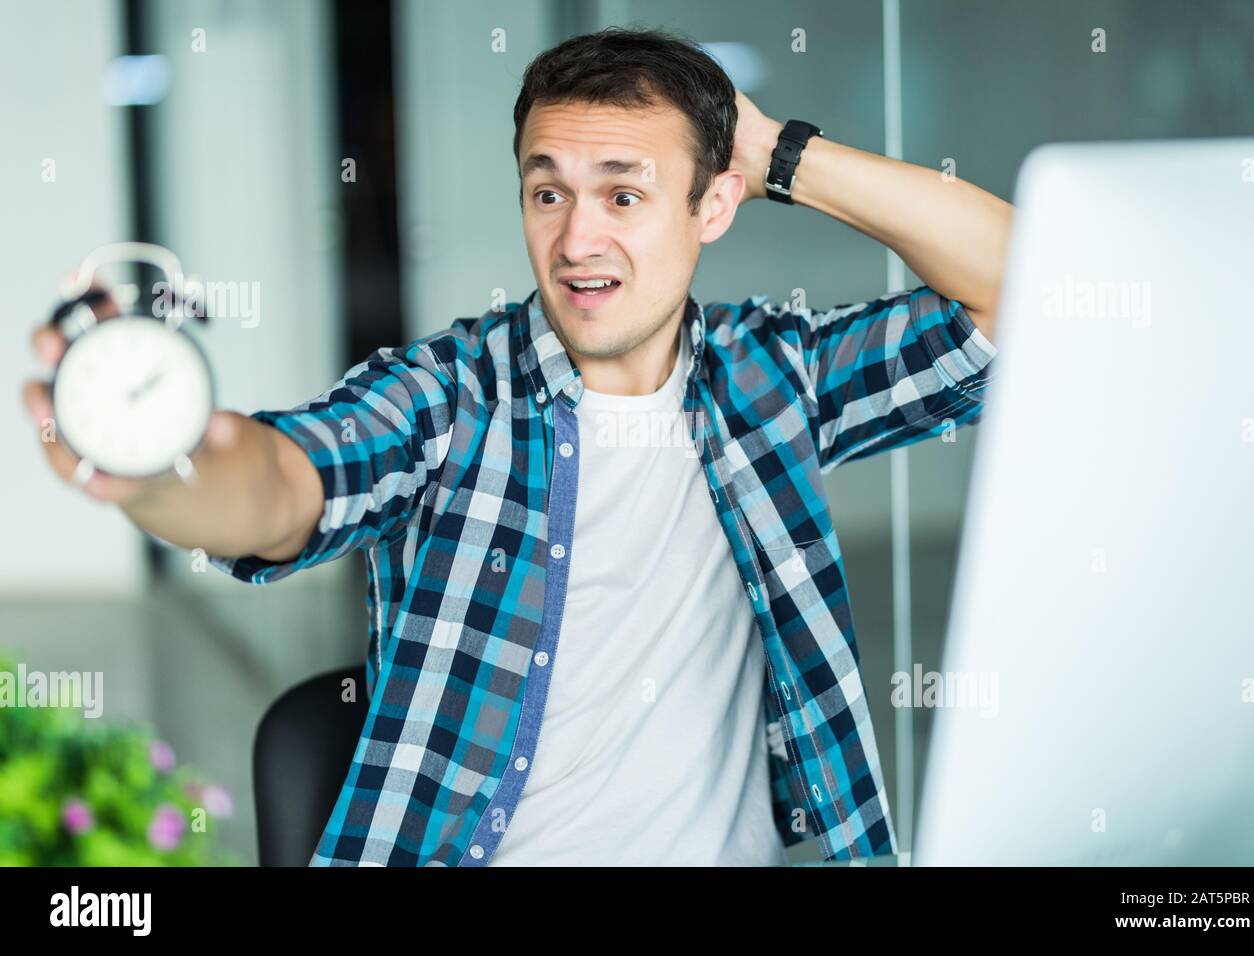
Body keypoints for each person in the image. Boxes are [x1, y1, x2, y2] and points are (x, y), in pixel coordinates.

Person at [21, 27, 1011, 867]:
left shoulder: (770, 380)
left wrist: (768, 147)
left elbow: (1016, 289)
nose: (577, 239)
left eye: (623, 194)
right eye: (549, 193)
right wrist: (161, 461)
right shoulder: (449, 395)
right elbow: (283, 486)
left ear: (712, 204)